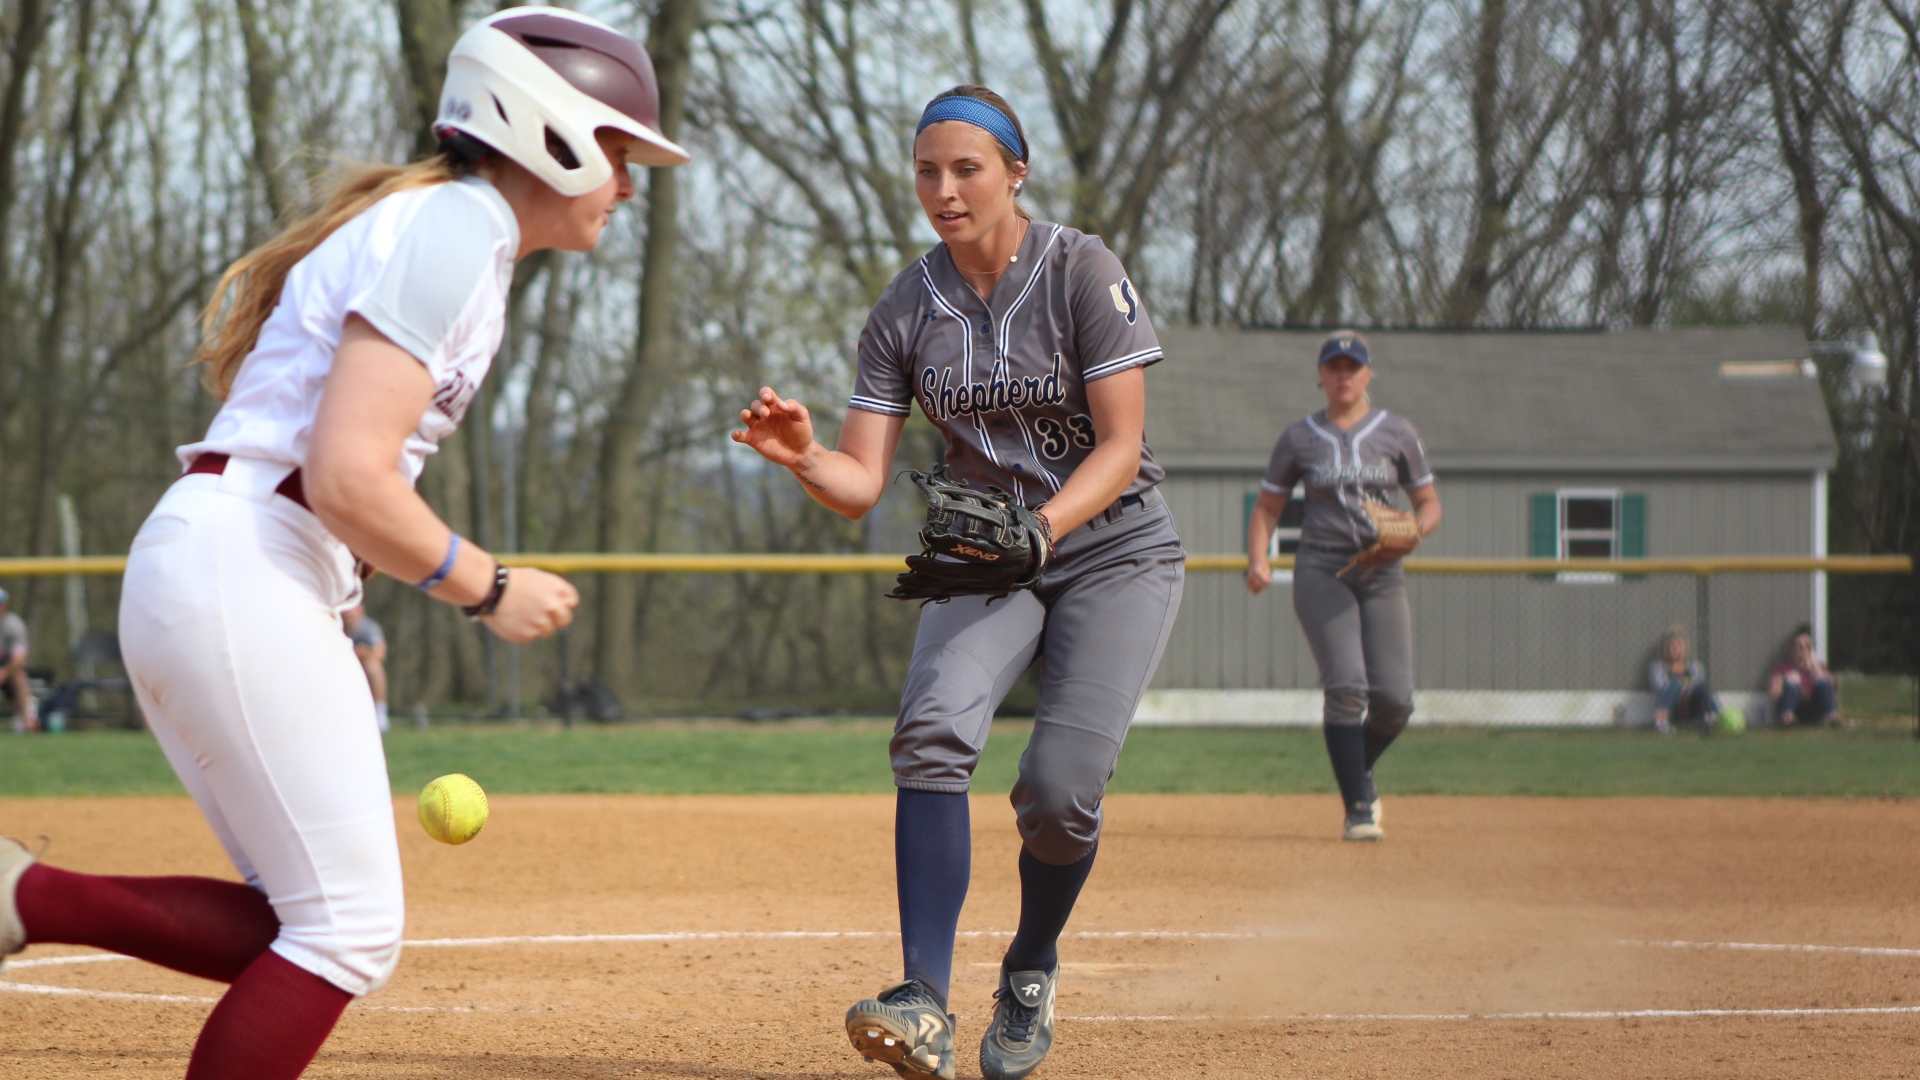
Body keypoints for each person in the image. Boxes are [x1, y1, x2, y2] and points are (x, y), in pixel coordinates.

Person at [0, 9, 683, 1077]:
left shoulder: (456, 231)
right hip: (245, 563)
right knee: (344, 933)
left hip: (236, 562)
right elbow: (348, 475)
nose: (629, 187)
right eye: (619, 154)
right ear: (549, 132)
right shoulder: (456, 230)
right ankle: (25, 896)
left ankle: (23, 896)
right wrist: (485, 585)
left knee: (307, 924)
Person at [732, 85, 1183, 1080]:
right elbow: (859, 484)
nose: (944, 189)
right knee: (931, 728)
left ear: (1015, 172)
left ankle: (1029, 966)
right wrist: (805, 455)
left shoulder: (1080, 271)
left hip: (1114, 546)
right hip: (987, 555)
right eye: (928, 171)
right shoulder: (905, 308)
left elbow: (1121, 447)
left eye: (967, 168)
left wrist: (1043, 527)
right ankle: (922, 1001)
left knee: (1060, 793)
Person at [1245, 331, 1440, 842]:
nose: (1344, 375)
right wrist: (1259, 560)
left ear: (1368, 374)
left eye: (1353, 366)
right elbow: (1267, 508)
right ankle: (1357, 807)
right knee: (1347, 685)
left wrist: (1416, 530)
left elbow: (1428, 503)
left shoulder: (1396, 433)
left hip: (1382, 572)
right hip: (1321, 569)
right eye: (1335, 367)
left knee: (1395, 699)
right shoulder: (1300, 437)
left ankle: (1359, 771)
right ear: (1322, 375)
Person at [1649, 625, 1720, 735]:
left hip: (1692, 704)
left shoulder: (1695, 666)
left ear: (1684, 648)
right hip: (1673, 707)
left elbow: (1697, 683)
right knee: (1673, 686)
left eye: (1678, 645)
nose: (1674, 648)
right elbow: (1660, 686)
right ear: (1665, 648)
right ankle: (1661, 721)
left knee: (1701, 688)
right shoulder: (1658, 667)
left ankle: (1713, 716)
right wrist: (1681, 685)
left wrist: (1681, 685)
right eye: (1671, 645)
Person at [1771, 627, 1842, 727]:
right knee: (1793, 677)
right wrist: (1785, 682)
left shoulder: (1819, 667)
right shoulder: (1783, 668)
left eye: (1803, 647)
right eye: (1796, 646)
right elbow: (1774, 693)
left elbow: (1830, 686)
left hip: (1814, 708)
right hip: (1796, 707)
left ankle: (1832, 716)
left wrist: (1815, 668)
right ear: (1792, 649)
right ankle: (1787, 717)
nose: (1799, 650)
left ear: (1809, 651)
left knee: (1822, 679)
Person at [341, 605, 389, 734]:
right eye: (345, 614)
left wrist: (362, 653)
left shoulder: (369, 627)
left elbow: (380, 653)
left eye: (351, 614)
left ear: (361, 611)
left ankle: (380, 712)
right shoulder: (335, 626)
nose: (348, 617)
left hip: (362, 665)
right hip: (341, 665)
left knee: (373, 665)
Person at [0, 587, 39, 733]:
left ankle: (27, 722)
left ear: (4, 606)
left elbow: (19, 659)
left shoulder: (13, 625)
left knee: (20, 677)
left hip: (8, 672)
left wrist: (3, 672)